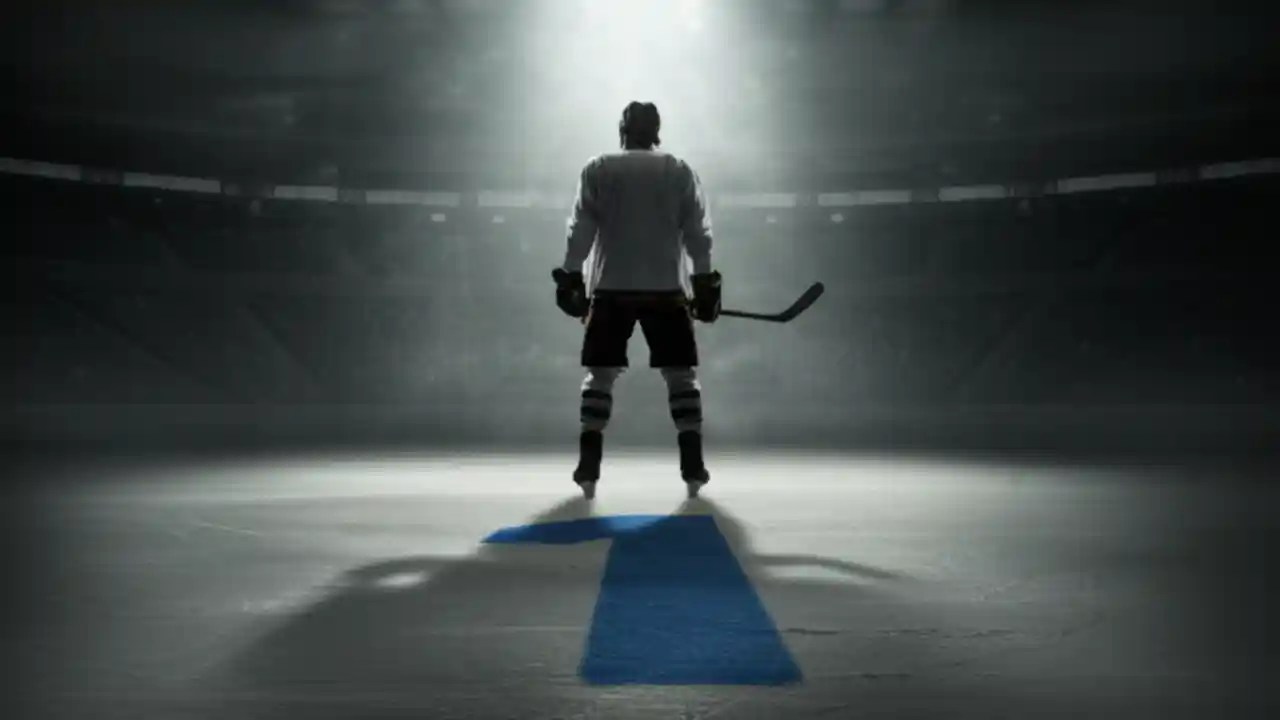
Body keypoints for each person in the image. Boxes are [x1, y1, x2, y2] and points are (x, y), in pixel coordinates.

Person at [551, 101, 721, 500]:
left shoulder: (599, 168)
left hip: (611, 286)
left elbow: (581, 228)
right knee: (681, 376)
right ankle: (692, 467)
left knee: (600, 374)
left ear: (622, 130)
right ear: (656, 131)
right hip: (666, 287)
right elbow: (697, 231)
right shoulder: (677, 170)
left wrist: (572, 274)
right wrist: (703, 281)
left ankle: (588, 466)